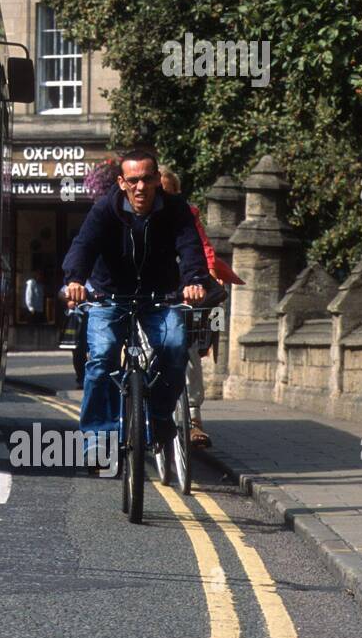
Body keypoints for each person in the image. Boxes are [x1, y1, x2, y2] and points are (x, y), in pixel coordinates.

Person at [62, 148, 214, 472]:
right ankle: (97, 439)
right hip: (110, 296)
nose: (140, 187)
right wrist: (75, 279)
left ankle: (159, 419)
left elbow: (190, 248)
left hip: (161, 297)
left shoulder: (176, 210)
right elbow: (83, 245)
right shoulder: (105, 210)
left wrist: (195, 281)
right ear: (121, 182)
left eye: (147, 179)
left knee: (174, 347)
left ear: (158, 180)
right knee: (102, 357)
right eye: (133, 180)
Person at [159, 168, 244, 448]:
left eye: (169, 190)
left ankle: (193, 417)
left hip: (183, 286)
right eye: (159, 189)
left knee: (187, 347)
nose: (162, 195)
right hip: (149, 290)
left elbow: (201, 246)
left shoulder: (186, 214)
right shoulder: (135, 215)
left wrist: (207, 272)